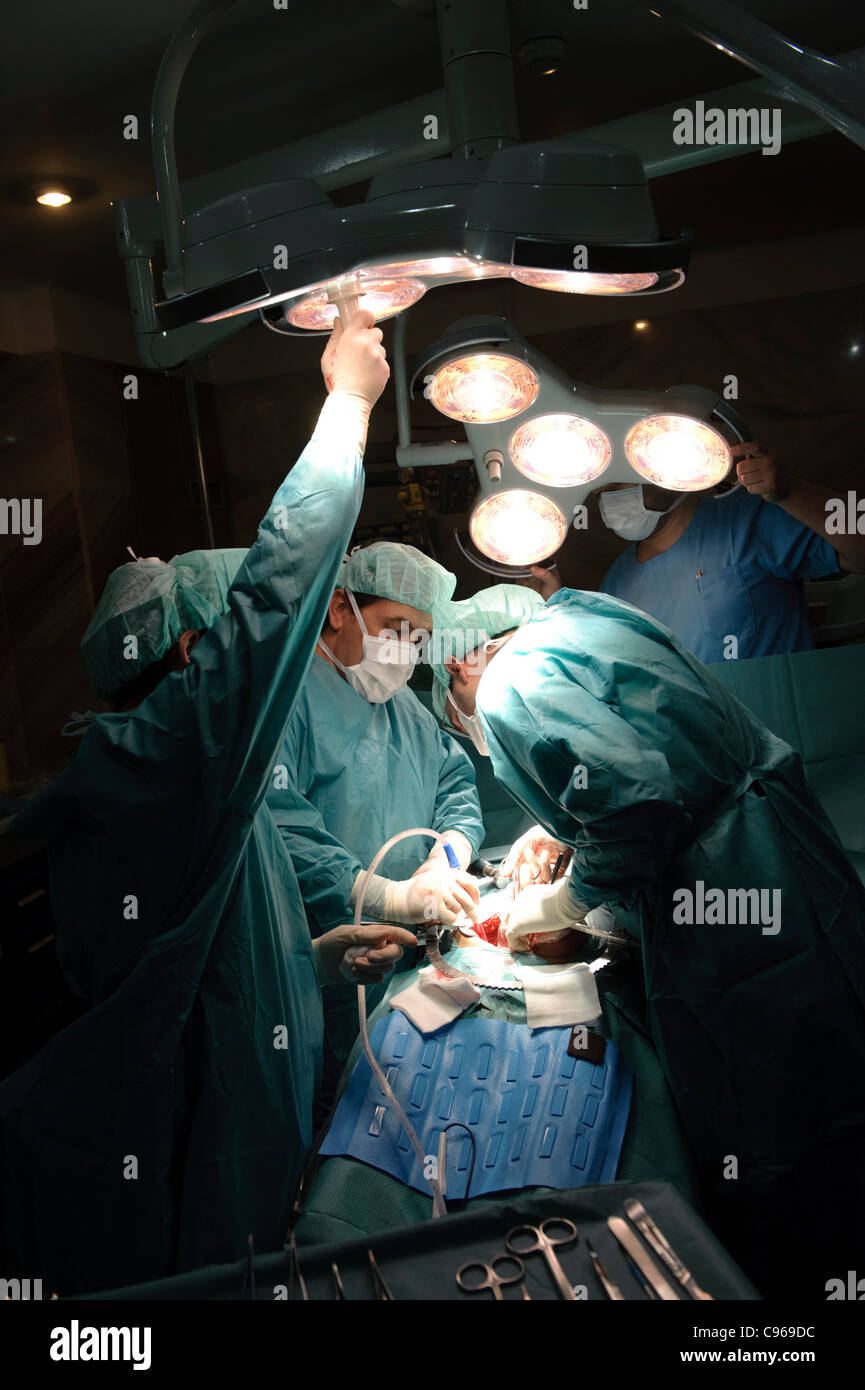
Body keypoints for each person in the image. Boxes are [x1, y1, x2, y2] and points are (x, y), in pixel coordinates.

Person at [0, 311, 417, 1296]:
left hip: (209, 1129)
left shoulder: (184, 780)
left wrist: (308, 962)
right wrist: (346, 408)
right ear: (192, 655)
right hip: (182, 1156)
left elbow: (193, 956)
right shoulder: (166, 760)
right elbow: (274, 601)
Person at [431, 582, 865, 1297]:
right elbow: (658, 743)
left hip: (728, 896)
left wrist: (560, 903)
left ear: (458, 665)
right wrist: (562, 824)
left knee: (782, 1115)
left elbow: (636, 806)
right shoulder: (581, 616)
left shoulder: (511, 682)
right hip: (781, 845)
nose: (459, 717)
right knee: (841, 1049)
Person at [268, 541, 484, 1072]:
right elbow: (278, 823)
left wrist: (447, 856)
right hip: (320, 969)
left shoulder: (403, 704)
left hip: (405, 964)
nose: (406, 650)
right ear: (341, 609)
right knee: (328, 1109)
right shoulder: (287, 702)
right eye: (396, 627)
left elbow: (453, 780)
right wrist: (383, 894)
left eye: (421, 638)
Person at [596, 441, 865, 664]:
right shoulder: (616, 583)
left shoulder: (744, 521)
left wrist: (792, 492)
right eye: (601, 488)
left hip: (775, 723)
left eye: (617, 482)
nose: (608, 496)